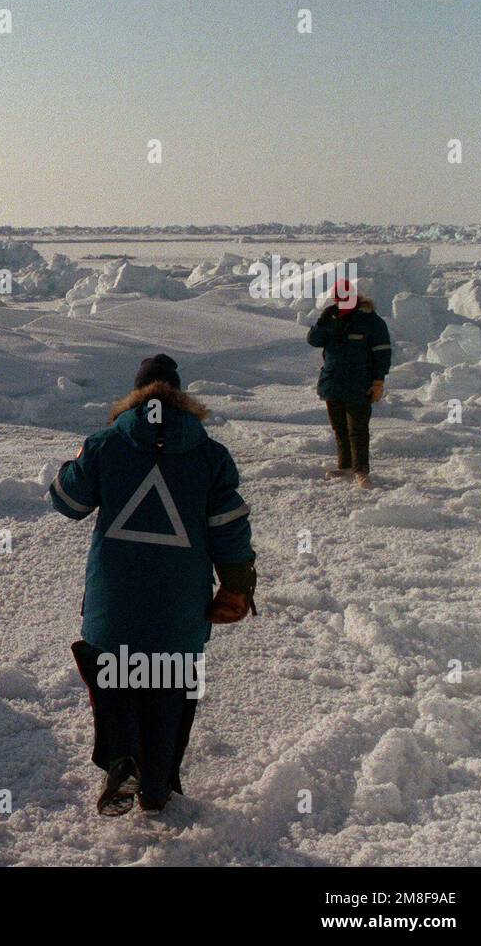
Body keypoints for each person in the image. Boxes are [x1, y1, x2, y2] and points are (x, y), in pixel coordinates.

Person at [49, 353, 256, 816]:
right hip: (180, 605)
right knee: (170, 689)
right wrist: (239, 584)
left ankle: (121, 760)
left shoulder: (106, 444)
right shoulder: (210, 455)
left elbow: (67, 502)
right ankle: (158, 787)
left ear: (136, 394)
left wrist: (78, 461)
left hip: (115, 599)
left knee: (115, 680)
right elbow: (230, 527)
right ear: (179, 397)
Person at [307, 278, 392, 488]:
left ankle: (361, 471)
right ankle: (345, 466)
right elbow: (314, 341)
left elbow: (382, 353)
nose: (341, 301)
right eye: (338, 298)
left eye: (345, 298)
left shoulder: (370, 321)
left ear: (354, 297)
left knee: (358, 430)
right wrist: (322, 322)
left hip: (359, 384)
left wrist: (378, 381)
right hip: (333, 382)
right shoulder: (332, 318)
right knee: (340, 429)